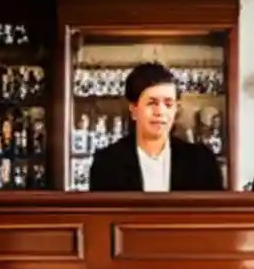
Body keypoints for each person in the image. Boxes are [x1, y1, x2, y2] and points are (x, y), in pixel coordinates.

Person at [88, 61, 224, 192]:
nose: (160, 112)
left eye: (168, 104)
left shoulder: (201, 161)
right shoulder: (108, 163)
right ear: (134, 110)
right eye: (152, 103)